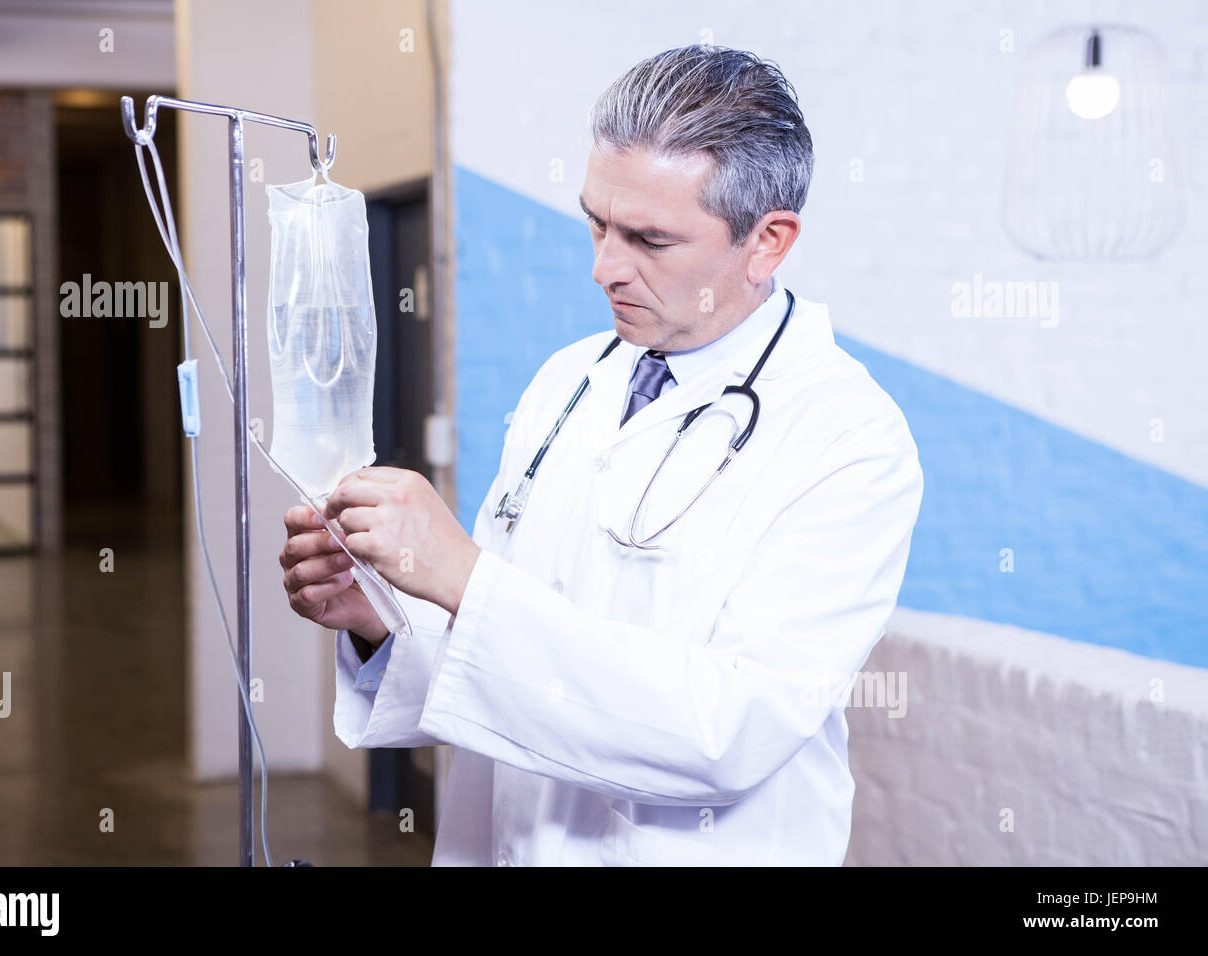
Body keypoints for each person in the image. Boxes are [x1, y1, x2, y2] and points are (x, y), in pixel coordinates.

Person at [279, 44, 923, 866]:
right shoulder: (568, 383)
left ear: (768, 241)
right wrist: (378, 625)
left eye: (649, 239)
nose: (602, 267)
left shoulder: (850, 438)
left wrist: (461, 574)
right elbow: (491, 654)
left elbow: (729, 731)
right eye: (596, 222)